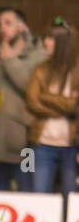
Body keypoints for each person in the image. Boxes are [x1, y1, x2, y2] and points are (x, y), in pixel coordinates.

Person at [0, 7, 46, 191]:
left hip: (25, 142)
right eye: (0, 24)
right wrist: (2, 56)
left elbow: (29, 86)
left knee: (27, 189)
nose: (2, 28)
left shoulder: (37, 54)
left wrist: (10, 61)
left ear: (21, 26)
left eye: (8, 23)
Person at [25, 19, 79, 195]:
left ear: (63, 43)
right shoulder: (40, 69)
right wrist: (67, 106)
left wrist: (46, 97)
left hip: (72, 145)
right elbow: (32, 102)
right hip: (41, 145)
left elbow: (76, 107)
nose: (45, 42)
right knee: (39, 193)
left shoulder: (76, 71)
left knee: (70, 195)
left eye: (50, 38)